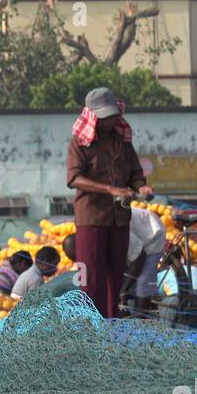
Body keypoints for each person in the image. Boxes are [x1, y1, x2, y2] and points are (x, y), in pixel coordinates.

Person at [66, 87, 153, 318]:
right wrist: (110, 189)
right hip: (92, 218)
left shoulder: (122, 140)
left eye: (113, 115)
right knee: (91, 276)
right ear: (93, 117)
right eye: (105, 117)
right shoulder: (79, 142)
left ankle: (111, 323)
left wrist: (141, 187)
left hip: (119, 218)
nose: (110, 120)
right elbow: (74, 178)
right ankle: (91, 325)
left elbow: (135, 173)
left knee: (116, 274)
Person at [120, 206, 166, 317]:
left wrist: (123, 291)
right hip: (138, 236)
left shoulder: (121, 232)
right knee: (126, 279)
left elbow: (139, 257)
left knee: (143, 281)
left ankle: (140, 319)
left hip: (153, 235)